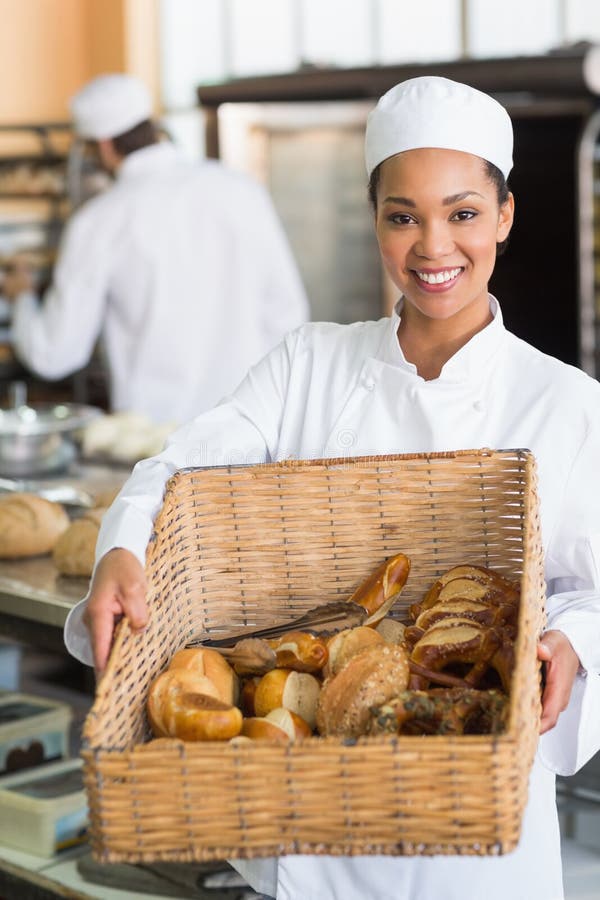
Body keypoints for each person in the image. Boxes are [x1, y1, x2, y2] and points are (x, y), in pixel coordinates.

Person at [64, 76, 600, 900]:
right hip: (300, 831)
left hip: (473, 844)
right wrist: (123, 546)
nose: (432, 247)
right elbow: (183, 465)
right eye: (402, 216)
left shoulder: (566, 403)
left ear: (504, 216)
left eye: (461, 213)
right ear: (375, 218)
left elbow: (590, 595)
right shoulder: (309, 362)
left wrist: (572, 644)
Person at [3, 73, 309, 424]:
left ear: (103, 145)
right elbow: (289, 313)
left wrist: (22, 297)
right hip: (252, 424)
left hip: (157, 439)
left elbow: (55, 354)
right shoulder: (240, 189)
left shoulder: (99, 220)